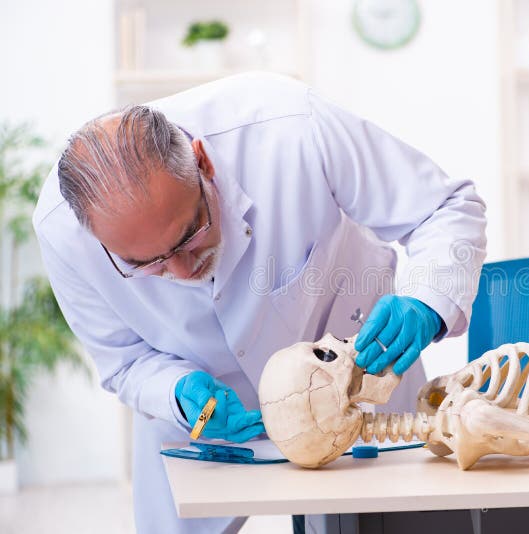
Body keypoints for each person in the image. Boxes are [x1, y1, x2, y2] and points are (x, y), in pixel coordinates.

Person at [33, 72, 487, 533]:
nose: (184, 271)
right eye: (149, 265)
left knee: (397, 523)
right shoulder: (62, 234)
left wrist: (427, 301)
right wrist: (175, 392)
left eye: (190, 237)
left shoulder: (288, 128)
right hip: (206, 426)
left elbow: (445, 207)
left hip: (359, 383)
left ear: (203, 163)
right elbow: (124, 362)